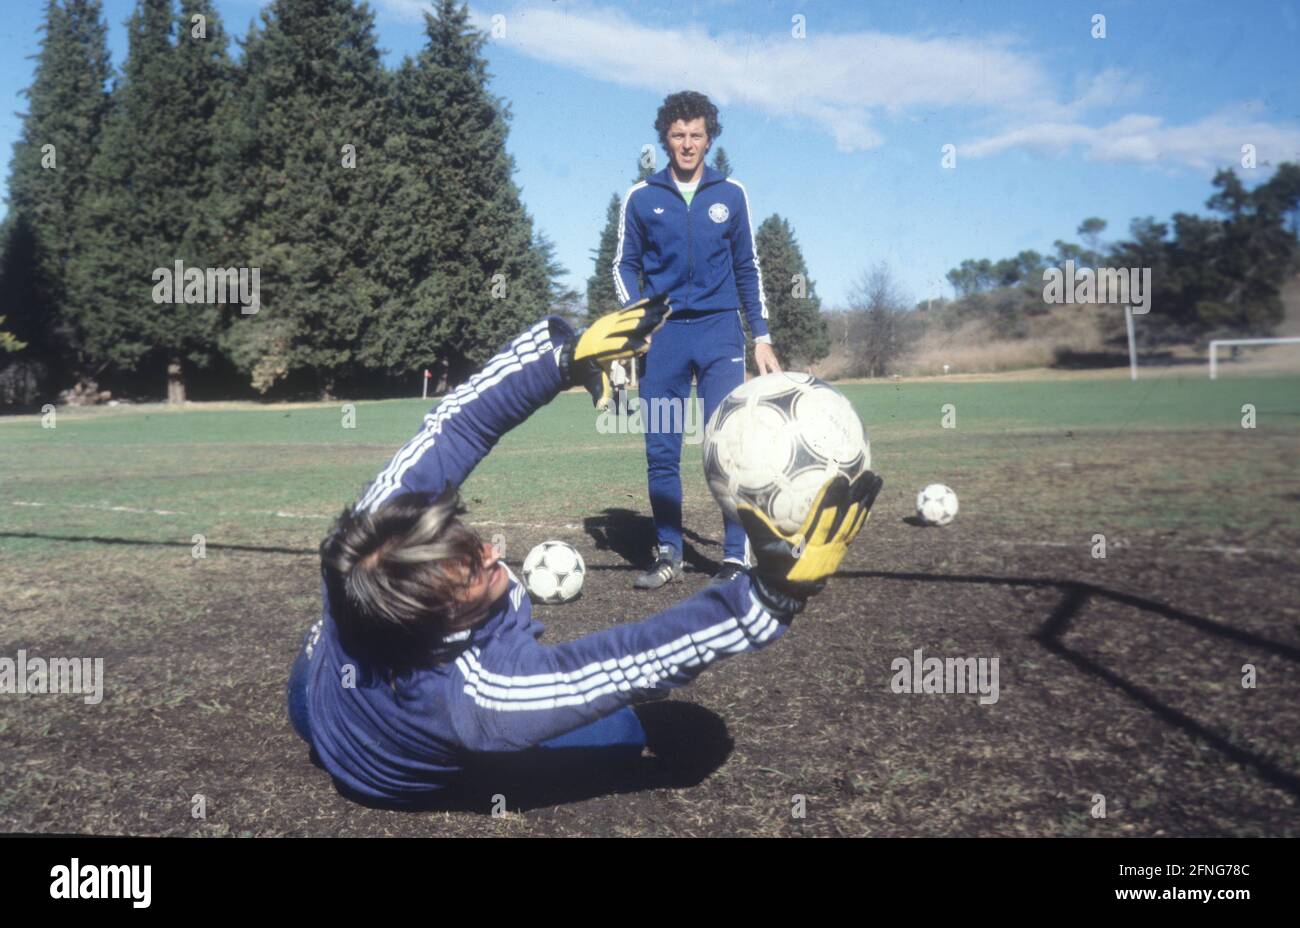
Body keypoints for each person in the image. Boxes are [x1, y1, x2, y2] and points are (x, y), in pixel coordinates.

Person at [286, 300, 882, 808]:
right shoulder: (475, 696)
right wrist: (767, 598)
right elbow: (625, 662)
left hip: (312, 685)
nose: (493, 551)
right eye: (473, 571)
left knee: (328, 666)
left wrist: (559, 361)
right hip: (381, 769)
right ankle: (428, 766)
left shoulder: (374, 532)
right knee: (620, 733)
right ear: (439, 626)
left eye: (468, 538)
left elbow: (457, 424)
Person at [614, 91, 781, 590]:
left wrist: (762, 336)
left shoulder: (731, 194)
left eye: (697, 135)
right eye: (678, 135)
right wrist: (635, 323)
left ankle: (735, 555)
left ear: (710, 138)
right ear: (665, 139)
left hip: (718, 335)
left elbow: (748, 268)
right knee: (662, 449)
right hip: (663, 341)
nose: (688, 144)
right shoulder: (641, 197)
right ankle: (668, 550)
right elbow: (623, 266)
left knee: (726, 446)